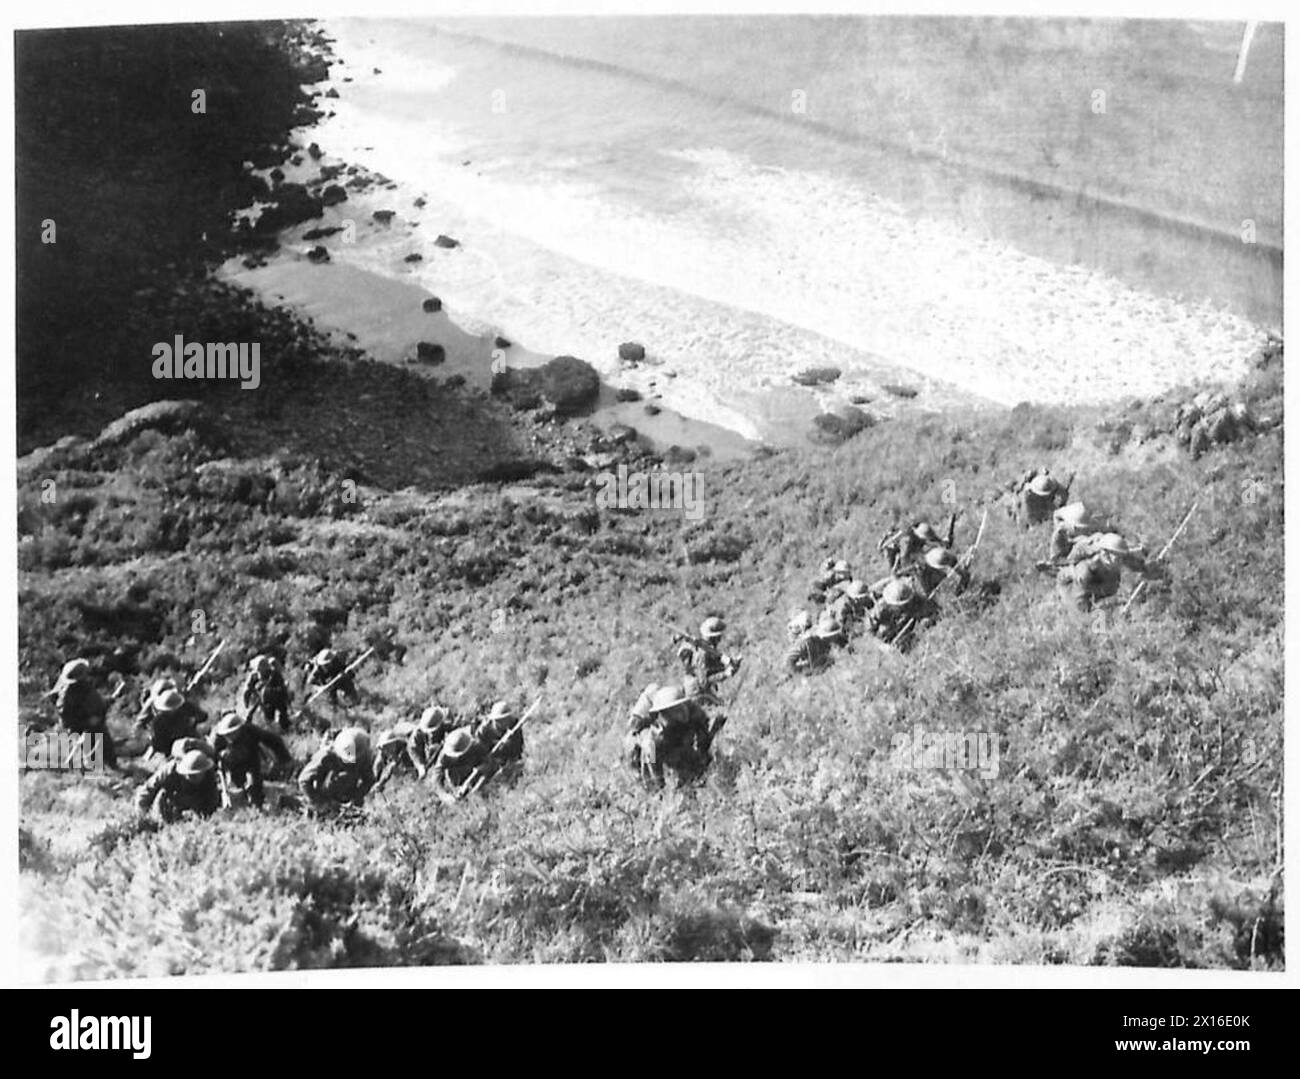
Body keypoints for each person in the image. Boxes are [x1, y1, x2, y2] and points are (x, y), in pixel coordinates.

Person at [626, 684, 713, 790]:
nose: (682, 711)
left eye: (681, 706)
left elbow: (703, 729)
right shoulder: (655, 738)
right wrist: (659, 785)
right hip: (646, 746)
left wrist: (703, 750)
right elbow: (652, 761)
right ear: (666, 714)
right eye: (676, 710)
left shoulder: (693, 711)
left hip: (676, 737)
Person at [1056, 533, 1157, 612]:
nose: (1121, 560)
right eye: (1117, 557)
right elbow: (1083, 606)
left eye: (1121, 556)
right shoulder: (1086, 571)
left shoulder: (1112, 560)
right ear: (1105, 555)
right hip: (1076, 599)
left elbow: (1129, 560)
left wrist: (1147, 569)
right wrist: (1116, 602)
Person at [210, 710, 292, 808]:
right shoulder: (217, 739)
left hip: (251, 758)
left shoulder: (250, 730)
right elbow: (212, 759)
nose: (231, 736)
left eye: (233, 733)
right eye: (228, 734)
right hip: (231, 763)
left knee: (255, 784)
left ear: (240, 728)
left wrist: (285, 759)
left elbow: (273, 740)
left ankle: (257, 804)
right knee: (237, 786)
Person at [50, 659, 120, 769]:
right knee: (104, 748)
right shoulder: (82, 690)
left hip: (76, 726)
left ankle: (96, 764)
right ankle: (105, 765)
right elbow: (97, 706)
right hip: (86, 727)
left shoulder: (67, 690)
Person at [298, 727, 374, 815]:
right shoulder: (326, 756)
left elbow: (368, 780)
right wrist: (321, 802)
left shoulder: (363, 755)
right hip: (323, 794)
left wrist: (356, 799)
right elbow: (303, 780)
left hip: (348, 794)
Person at [134, 748, 221, 823]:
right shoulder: (169, 770)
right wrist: (141, 813)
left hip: (195, 799)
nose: (194, 778)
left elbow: (213, 799)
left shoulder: (209, 775)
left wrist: (206, 815)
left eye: (197, 775)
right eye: (191, 775)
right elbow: (148, 788)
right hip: (172, 799)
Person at [136, 687, 206, 758]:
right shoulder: (158, 723)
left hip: (191, 736)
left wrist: (194, 721)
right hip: (174, 746)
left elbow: (203, 716)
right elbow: (158, 744)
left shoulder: (186, 706)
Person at [674, 616, 741, 690]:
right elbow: (703, 682)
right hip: (697, 692)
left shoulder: (709, 650)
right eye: (719, 637)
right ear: (714, 637)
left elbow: (712, 668)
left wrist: (730, 666)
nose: (720, 639)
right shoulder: (702, 653)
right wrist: (725, 674)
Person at [867, 577, 937, 647]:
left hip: (906, 627)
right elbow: (869, 632)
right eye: (898, 606)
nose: (903, 606)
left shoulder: (915, 601)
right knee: (883, 630)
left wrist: (926, 620)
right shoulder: (880, 609)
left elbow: (933, 610)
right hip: (891, 629)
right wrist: (882, 646)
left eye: (905, 604)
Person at [241, 654, 291, 730]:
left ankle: (285, 725)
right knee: (266, 718)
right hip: (261, 699)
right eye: (259, 670)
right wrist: (247, 704)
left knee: (281, 714)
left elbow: (282, 689)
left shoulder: (274, 674)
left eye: (263, 670)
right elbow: (247, 691)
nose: (261, 673)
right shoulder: (254, 676)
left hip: (276, 696)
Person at [372, 722, 427, 791]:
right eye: (385, 748)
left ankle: (420, 770)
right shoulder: (387, 751)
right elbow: (390, 766)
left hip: (418, 739)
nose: (387, 750)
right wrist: (381, 782)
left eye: (388, 746)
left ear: (394, 742)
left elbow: (412, 750)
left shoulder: (404, 742)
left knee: (410, 753)